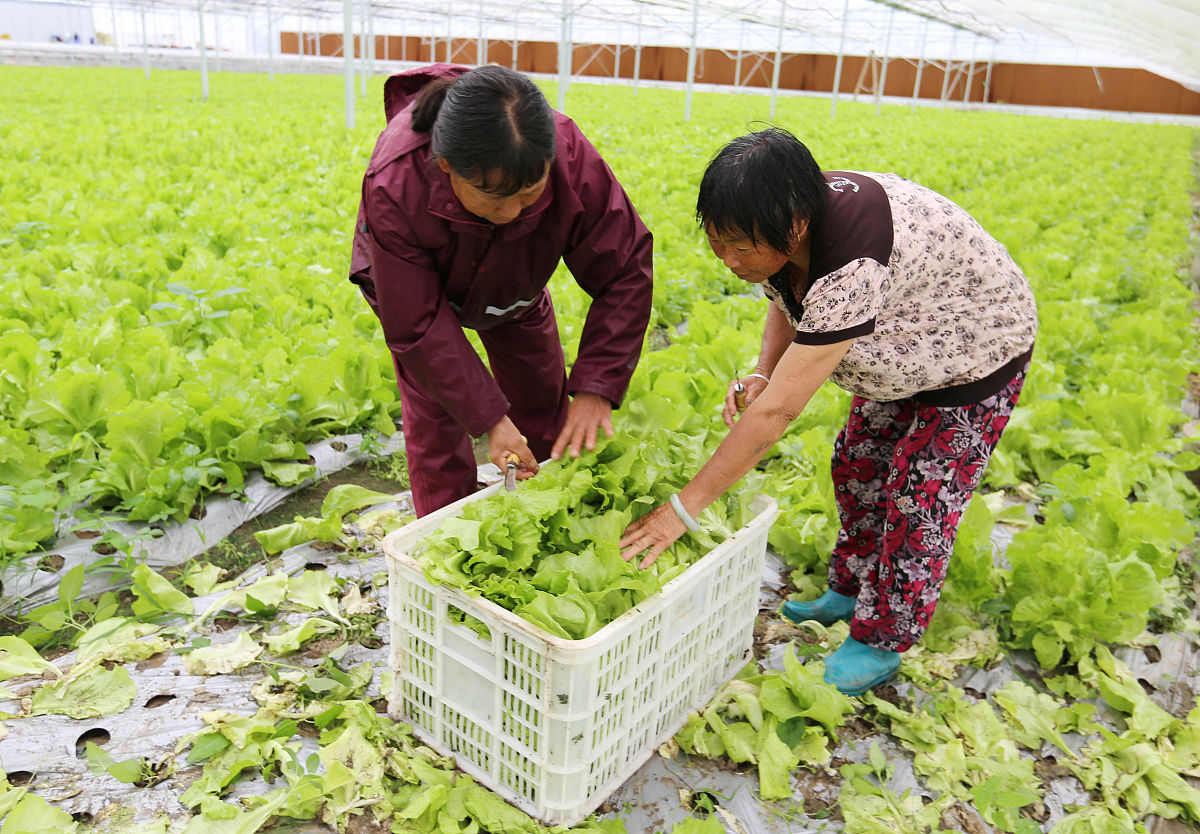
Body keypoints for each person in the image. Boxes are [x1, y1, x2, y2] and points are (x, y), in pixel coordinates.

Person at [619, 128, 1037, 696]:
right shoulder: (787, 217)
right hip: (908, 338)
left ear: (793, 224)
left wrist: (683, 509)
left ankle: (882, 638)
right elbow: (785, 296)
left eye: (740, 245)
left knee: (920, 497)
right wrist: (763, 371)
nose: (728, 260)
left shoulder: (850, 265)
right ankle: (850, 585)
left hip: (976, 349)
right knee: (858, 463)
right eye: (717, 242)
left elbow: (777, 415)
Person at [349, 64, 653, 516]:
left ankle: (552, 508)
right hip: (417, 295)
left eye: (530, 194)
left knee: (543, 402)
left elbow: (625, 267)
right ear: (447, 166)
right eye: (493, 198)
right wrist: (490, 420)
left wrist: (597, 387)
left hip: (517, 284)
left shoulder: (568, 153)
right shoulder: (396, 180)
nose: (511, 212)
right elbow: (418, 324)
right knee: (437, 418)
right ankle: (447, 538)